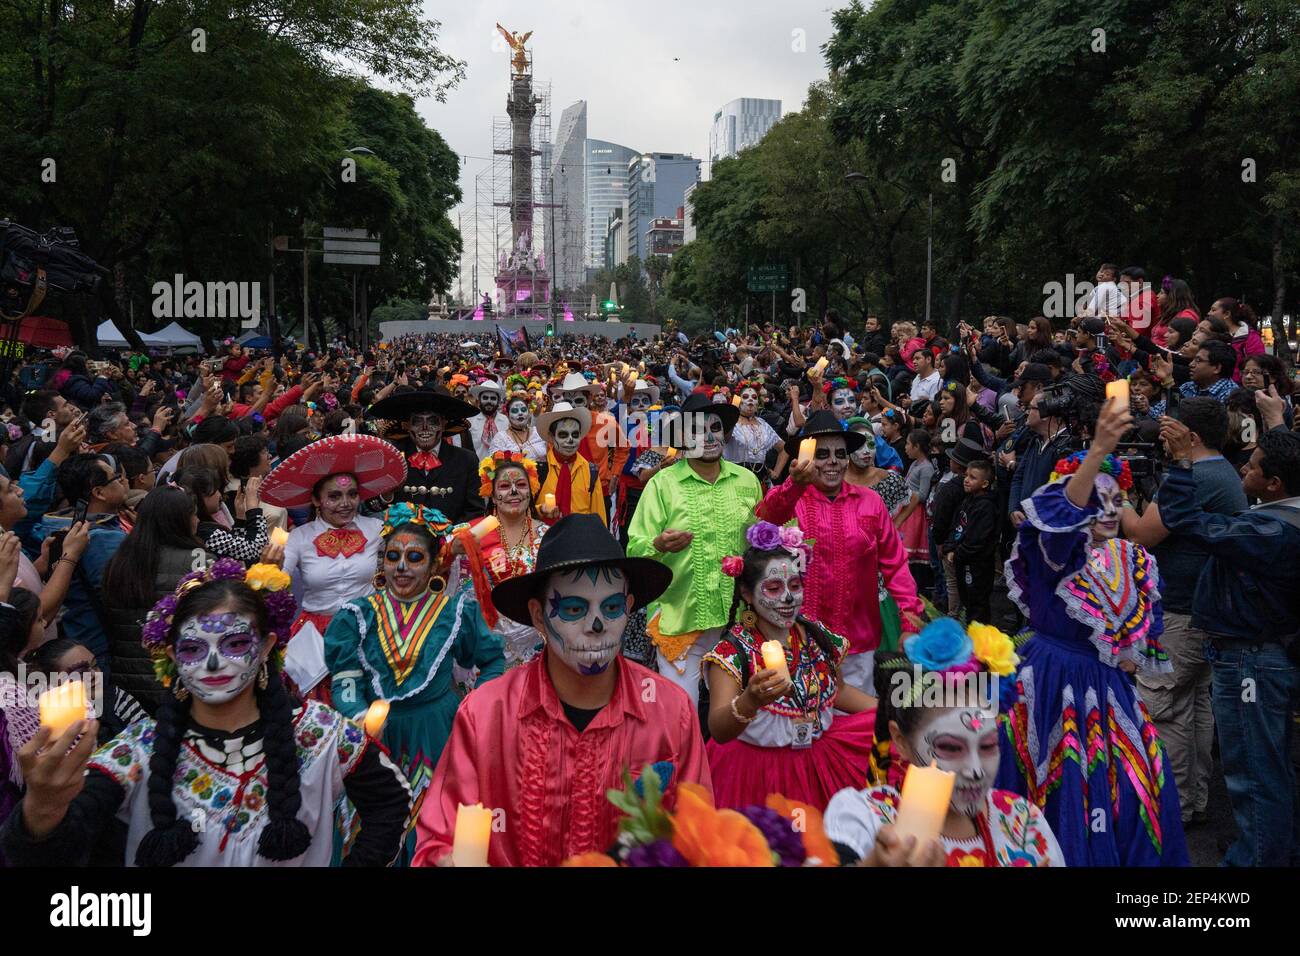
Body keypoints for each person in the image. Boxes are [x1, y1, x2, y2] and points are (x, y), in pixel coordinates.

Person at [0, 565, 411, 867]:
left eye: (235, 644)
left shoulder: (320, 734)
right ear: (172, 655)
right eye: (194, 649)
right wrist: (42, 809)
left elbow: (391, 803)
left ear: (267, 647)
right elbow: (51, 852)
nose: (213, 663)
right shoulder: (136, 751)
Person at [411, 514, 710, 867]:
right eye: (573, 609)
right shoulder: (486, 713)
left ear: (629, 609)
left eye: (612, 607)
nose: (596, 625)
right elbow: (440, 836)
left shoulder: (671, 711)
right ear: (538, 616)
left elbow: (699, 835)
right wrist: (448, 859)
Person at [997, 401, 1188, 866]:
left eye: (1117, 500)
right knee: (1060, 781)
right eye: (1096, 500)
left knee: (1130, 783)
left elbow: (1147, 623)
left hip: (1110, 687)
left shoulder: (1132, 557)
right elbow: (1058, 519)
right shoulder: (1056, 551)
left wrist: (1131, 655)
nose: (1108, 510)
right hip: (1052, 680)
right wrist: (1099, 451)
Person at [1155, 412, 1300, 866]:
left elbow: (1184, 520)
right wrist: (1276, 420)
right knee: (1269, 765)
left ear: (1274, 483)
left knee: (1253, 772)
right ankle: (1272, 849)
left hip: (1252, 660)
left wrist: (1182, 463)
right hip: (1258, 656)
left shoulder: (1273, 531)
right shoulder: (1279, 516)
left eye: (1252, 467)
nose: (1243, 470)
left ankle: (1255, 859)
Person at [323, 505, 505, 862]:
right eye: (393, 557)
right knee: (372, 836)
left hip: (439, 735)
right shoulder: (357, 615)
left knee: (437, 834)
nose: (402, 567)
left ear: (434, 564)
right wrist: (358, 715)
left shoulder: (455, 612)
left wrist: (476, 708)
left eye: (415, 557)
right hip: (375, 740)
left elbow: (492, 660)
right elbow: (345, 678)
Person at [824, 618, 1065, 867]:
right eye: (950, 748)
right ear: (901, 741)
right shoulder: (865, 819)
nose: (975, 770)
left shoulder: (1024, 822)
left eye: (988, 746)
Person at [1118, 399, 1245, 829]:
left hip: (1180, 613)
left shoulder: (1199, 475)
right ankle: (1192, 801)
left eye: (1169, 427)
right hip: (1201, 610)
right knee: (1192, 708)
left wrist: (1117, 493)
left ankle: (1171, 806)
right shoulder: (1222, 469)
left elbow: (1141, 533)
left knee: (1162, 706)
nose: (1161, 435)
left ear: (1189, 436)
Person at [703, 522, 876, 811]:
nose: (787, 597)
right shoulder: (733, 653)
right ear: (747, 594)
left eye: (795, 586)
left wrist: (889, 714)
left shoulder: (817, 637)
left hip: (818, 763)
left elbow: (839, 691)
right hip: (757, 774)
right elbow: (718, 730)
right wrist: (750, 701)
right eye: (773, 588)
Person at [756, 411, 924, 695]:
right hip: (798, 639)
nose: (833, 461)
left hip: (858, 642)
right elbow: (766, 520)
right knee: (805, 717)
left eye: (840, 453)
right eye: (822, 454)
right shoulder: (791, 499)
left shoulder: (871, 502)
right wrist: (794, 486)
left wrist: (909, 621)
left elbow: (896, 566)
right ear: (807, 459)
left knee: (857, 717)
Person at [627, 393, 761, 706]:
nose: (709, 437)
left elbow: (762, 544)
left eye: (715, 428)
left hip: (738, 621)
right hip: (680, 620)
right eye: (698, 430)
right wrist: (658, 544)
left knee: (734, 713)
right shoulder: (662, 484)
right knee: (681, 711)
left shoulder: (747, 481)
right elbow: (634, 549)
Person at [259, 433, 407, 700]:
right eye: (335, 496)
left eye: (352, 494)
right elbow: (277, 584)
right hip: (316, 638)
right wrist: (268, 571)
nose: (345, 503)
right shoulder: (299, 537)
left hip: (368, 630)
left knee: (369, 704)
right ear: (316, 500)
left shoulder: (377, 529)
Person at [101, 486, 213, 715]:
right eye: (193, 514)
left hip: (129, 683)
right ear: (180, 521)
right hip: (179, 676)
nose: (197, 520)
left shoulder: (119, 560)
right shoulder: (198, 559)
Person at [448, 451, 548, 668]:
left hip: (535, 651)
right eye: (504, 486)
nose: (514, 491)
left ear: (531, 491)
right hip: (482, 651)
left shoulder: (547, 536)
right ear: (492, 496)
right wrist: (451, 552)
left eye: (521, 485)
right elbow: (435, 569)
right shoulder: (469, 534)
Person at [32, 453, 131, 672]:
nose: (123, 480)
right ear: (99, 492)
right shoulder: (100, 539)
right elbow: (122, 596)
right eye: (115, 477)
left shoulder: (61, 526)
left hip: (79, 636)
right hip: (102, 647)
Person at [368, 389, 484, 522]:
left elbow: (475, 511)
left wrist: (451, 533)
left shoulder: (466, 460)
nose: (424, 427)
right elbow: (371, 507)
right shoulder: (392, 458)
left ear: (443, 425)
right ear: (407, 426)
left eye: (432, 421)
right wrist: (386, 494)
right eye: (417, 422)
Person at [941, 458, 998, 625]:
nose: (966, 479)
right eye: (966, 475)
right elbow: (957, 527)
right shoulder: (967, 500)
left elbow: (977, 539)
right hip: (963, 561)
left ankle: (978, 636)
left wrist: (958, 553)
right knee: (966, 601)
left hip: (977, 566)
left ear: (985, 483)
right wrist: (950, 547)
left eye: (973, 477)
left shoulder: (986, 507)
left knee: (977, 606)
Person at [535, 402, 607, 525]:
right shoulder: (539, 469)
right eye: (563, 435)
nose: (570, 440)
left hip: (581, 534)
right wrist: (541, 510)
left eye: (575, 435)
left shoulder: (590, 471)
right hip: (546, 534)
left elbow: (599, 516)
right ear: (552, 437)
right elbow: (526, 512)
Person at [724, 379, 782, 487]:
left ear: (758, 402)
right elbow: (725, 438)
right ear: (738, 400)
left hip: (759, 481)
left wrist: (776, 472)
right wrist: (732, 415)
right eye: (745, 397)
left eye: (754, 397)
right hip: (735, 481)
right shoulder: (731, 421)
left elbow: (783, 448)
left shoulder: (763, 424)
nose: (750, 399)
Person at [464, 378, 508, 458]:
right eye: (485, 398)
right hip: (476, 464)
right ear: (479, 400)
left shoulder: (506, 421)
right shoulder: (470, 420)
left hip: (500, 465)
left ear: (498, 401)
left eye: (493, 398)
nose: (489, 401)